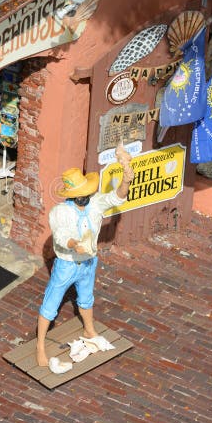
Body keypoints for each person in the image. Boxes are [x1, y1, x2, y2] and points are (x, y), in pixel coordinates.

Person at [36, 142, 134, 374]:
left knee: (86, 297)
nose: (84, 199)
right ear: (72, 196)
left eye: (85, 194)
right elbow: (60, 236)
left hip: (88, 262)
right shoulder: (60, 212)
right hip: (67, 264)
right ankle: (40, 345)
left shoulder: (95, 203)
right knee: (51, 303)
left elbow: (117, 197)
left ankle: (89, 329)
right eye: (79, 196)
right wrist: (74, 245)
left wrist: (126, 180)